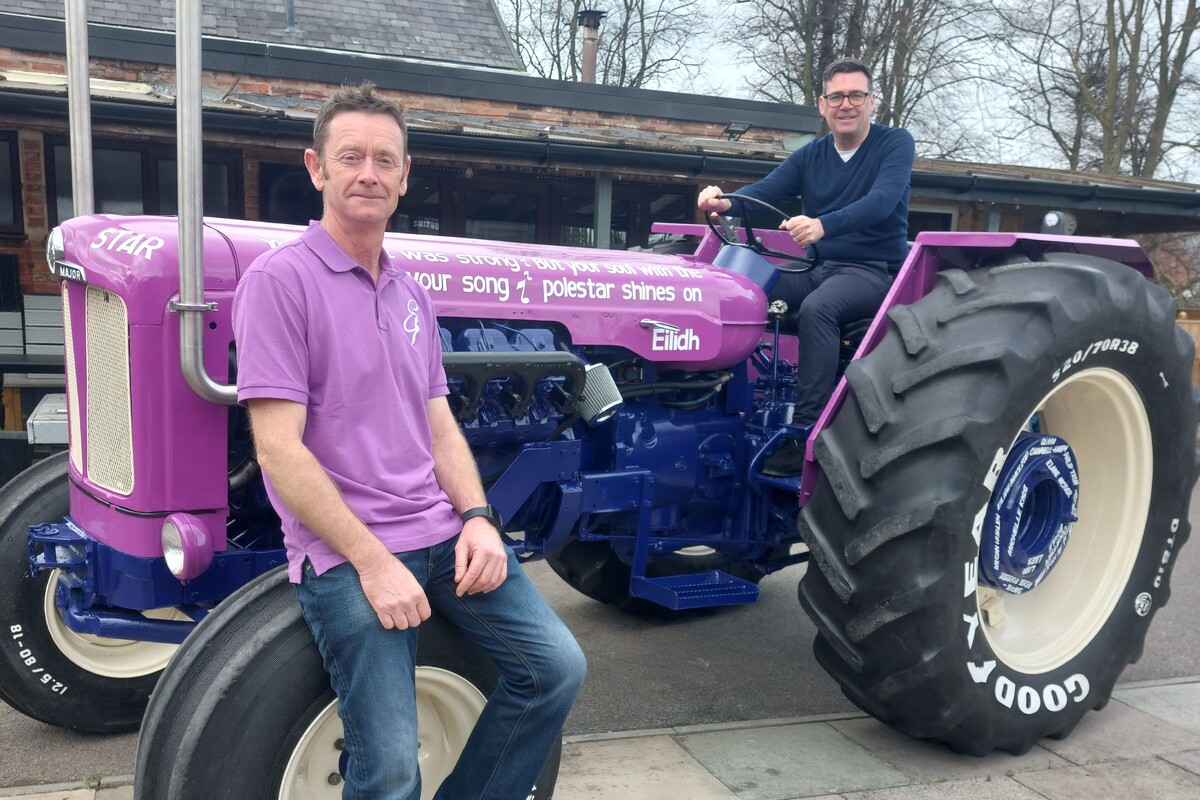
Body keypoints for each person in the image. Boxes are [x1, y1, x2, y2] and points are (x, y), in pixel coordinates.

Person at [232, 83, 586, 800]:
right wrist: (372, 562)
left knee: (556, 668)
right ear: (316, 168)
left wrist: (479, 519)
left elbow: (439, 424)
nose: (369, 173)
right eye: (351, 157)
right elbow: (276, 449)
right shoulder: (279, 281)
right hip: (347, 550)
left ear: (404, 175)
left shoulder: (409, 292)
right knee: (391, 767)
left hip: (440, 534)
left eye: (385, 160)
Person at [698, 58, 914, 474]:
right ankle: (719, 401)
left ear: (872, 101)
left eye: (856, 95)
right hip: (820, 267)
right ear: (822, 104)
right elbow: (767, 190)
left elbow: (882, 201)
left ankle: (805, 433)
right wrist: (724, 202)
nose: (846, 104)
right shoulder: (812, 155)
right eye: (837, 96)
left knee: (820, 309)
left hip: (872, 271)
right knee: (741, 291)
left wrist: (822, 225)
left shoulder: (894, 144)